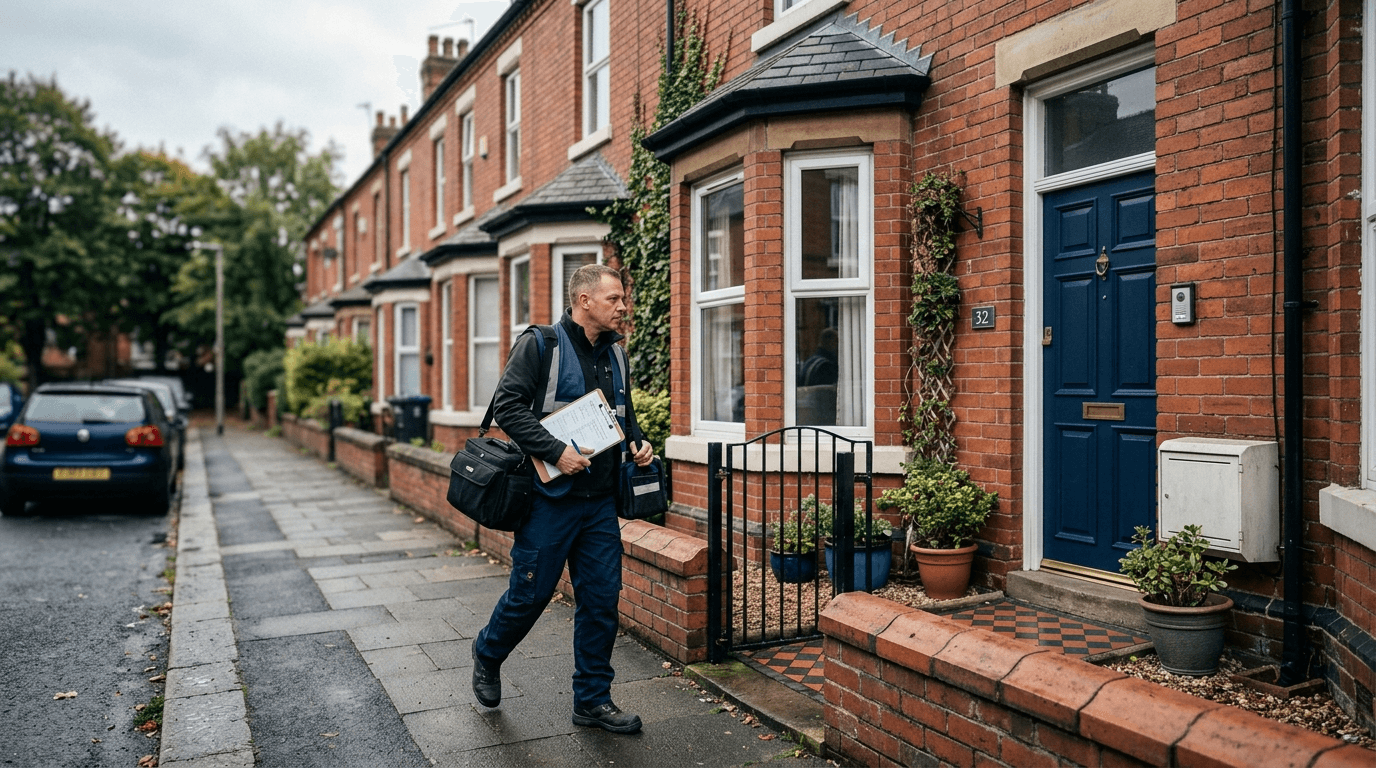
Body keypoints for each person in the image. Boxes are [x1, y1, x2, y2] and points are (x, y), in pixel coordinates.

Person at [470, 264, 655, 734]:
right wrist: (556, 452)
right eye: (613, 299)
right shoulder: (541, 344)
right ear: (584, 301)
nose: (622, 307)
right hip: (548, 501)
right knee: (530, 596)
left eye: (623, 299)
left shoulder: (618, 356)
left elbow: (621, 416)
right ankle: (487, 652)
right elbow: (507, 408)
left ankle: (592, 700)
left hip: (599, 507)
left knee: (601, 602)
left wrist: (638, 440)